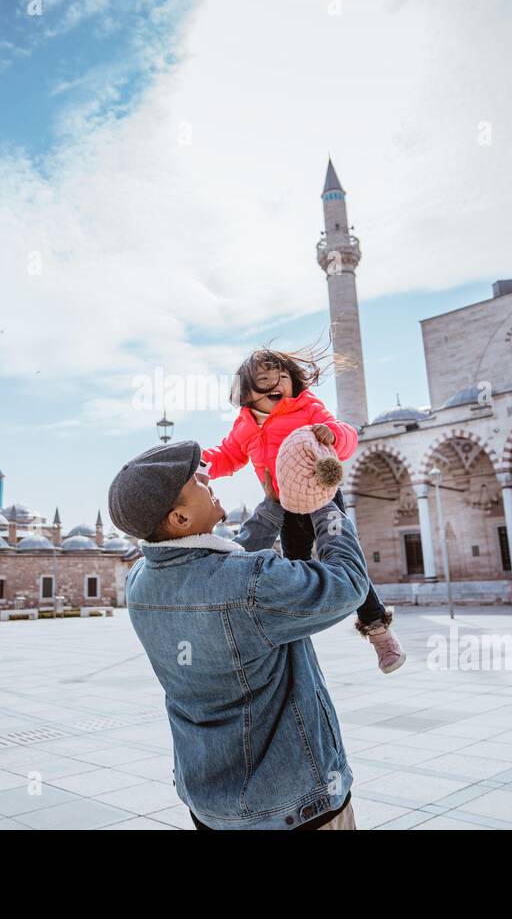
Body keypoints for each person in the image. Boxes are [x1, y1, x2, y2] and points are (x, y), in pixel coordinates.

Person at [109, 439, 368, 829]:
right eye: (194, 479)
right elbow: (348, 583)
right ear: (179, 519)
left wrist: (271, 506)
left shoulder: (141, 584)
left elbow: (221, 567)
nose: (206, 476)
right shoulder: (248, 585)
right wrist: (322, 501)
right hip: (296, 808)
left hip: (212, 807)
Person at [203, 346, 403, 672]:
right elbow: (226, 456)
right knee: (294, 571)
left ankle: (380, 633)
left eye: (283, 376)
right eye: (266, 381)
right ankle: (295, 636)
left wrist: (333, 434)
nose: (278, 384)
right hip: (285, 506)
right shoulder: (245, 426)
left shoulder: (308, 407)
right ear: (248, 394)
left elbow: (347, 436)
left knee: (348, 565)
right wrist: (197, 464)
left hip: (324, 501)